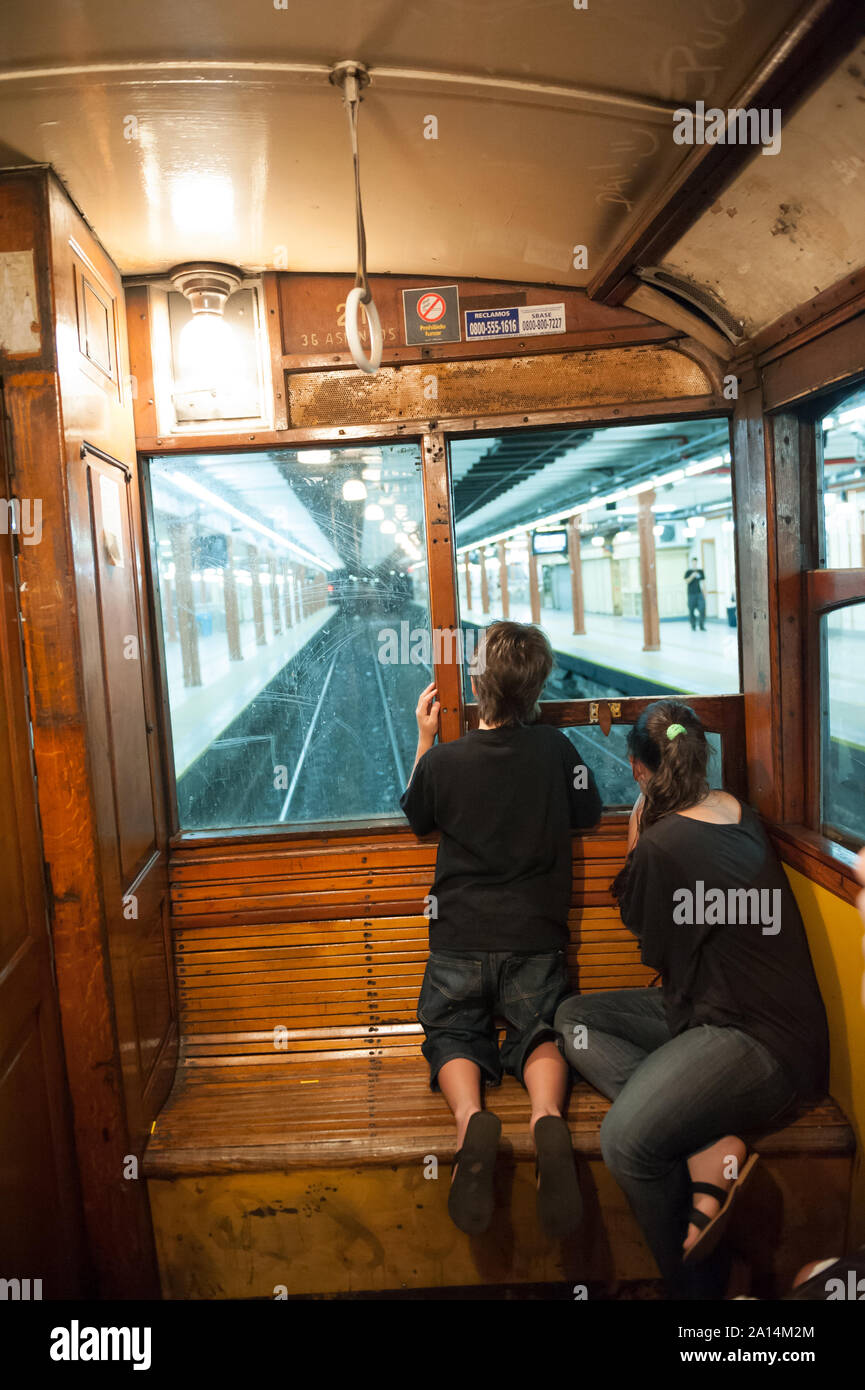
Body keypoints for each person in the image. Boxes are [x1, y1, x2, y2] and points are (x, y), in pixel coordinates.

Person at [555, 699, 829, 1299]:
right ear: (701, 759)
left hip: (759, 1044)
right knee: (574, 1019)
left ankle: (702, 1294)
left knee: (626, 1143)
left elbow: (652, 947)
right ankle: (705, 1140)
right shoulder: (735, 808)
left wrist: (635, 840)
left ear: (638, 770)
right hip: (716, 1011)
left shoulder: (662, 844)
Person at [400, 621, 602, 1238]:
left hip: (458, 938)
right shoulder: (557, 751)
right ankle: (547, 1119)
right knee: (539, 1029)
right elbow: (589, 811)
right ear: (538, 688)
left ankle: (470, 1124)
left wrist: (424, 737)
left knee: (452, 1031)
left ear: (476, 684)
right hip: (534, 941)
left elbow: (416, 817)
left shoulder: (445, 761)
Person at [684, 555, 706, 630]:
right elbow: (687, 581)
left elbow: (703, 582)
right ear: (691, 563)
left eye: (696, 562)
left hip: (699, 593)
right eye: (693, 562)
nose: (694, 564)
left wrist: (705, 592)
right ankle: (693, 625)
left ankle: (701, 625)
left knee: (702, 609)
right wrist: (692, 576)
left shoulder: (700, 571)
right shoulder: (688, 572)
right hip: (691, 594)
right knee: (691, 610)